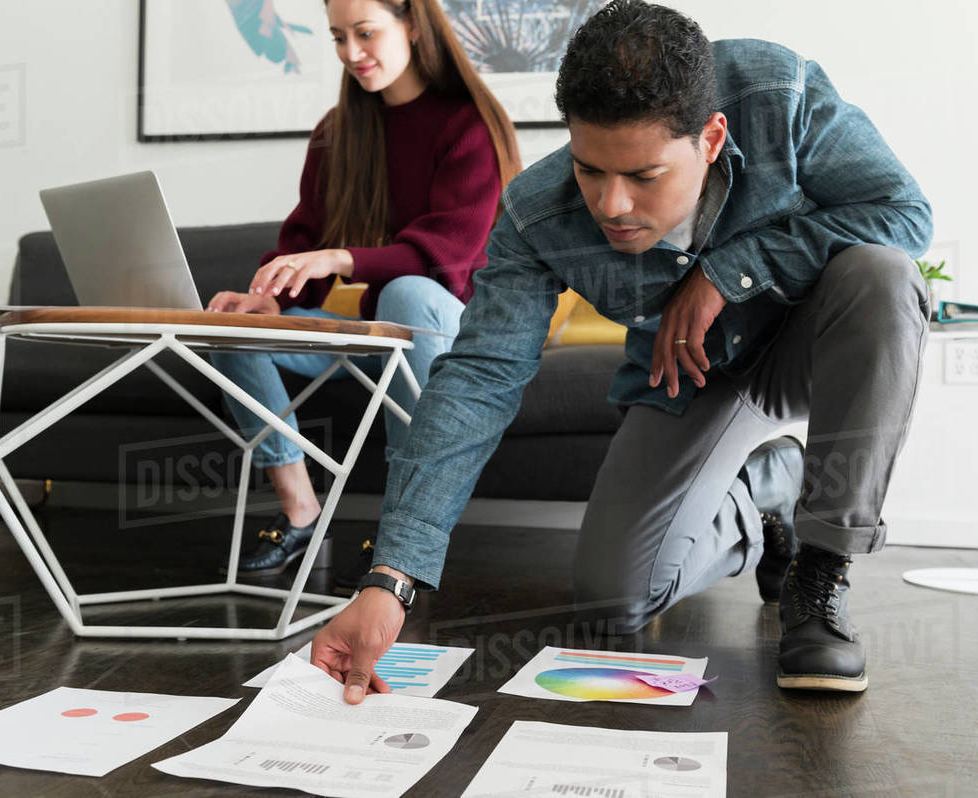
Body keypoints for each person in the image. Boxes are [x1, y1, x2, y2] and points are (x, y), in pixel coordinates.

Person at [312, 0, 932, 698]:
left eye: (643, 178)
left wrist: (727, 273)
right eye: (589, 170)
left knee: (882, 275)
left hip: (815, 348)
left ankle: (820, 576)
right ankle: (766, 493)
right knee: (615, 601)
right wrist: (390, 580)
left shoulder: (776, 94)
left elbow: (902, 214)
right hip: (692, 374)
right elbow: (477, 380)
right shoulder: (535, 214)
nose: (611, 205)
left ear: (710, 136)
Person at [206, 0, 520, 578]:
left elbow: (445, 255)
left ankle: (405, 532)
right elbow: (304, 236)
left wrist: (339, 258)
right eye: (338, 37)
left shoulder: (468, 124)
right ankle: (302, 513)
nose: (352, 53)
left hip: (448, 336)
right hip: (380, 338)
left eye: (366, 32)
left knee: (406, 292)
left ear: (413, 25)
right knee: (235, 331)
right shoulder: (338, 131)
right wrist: (271, 300)